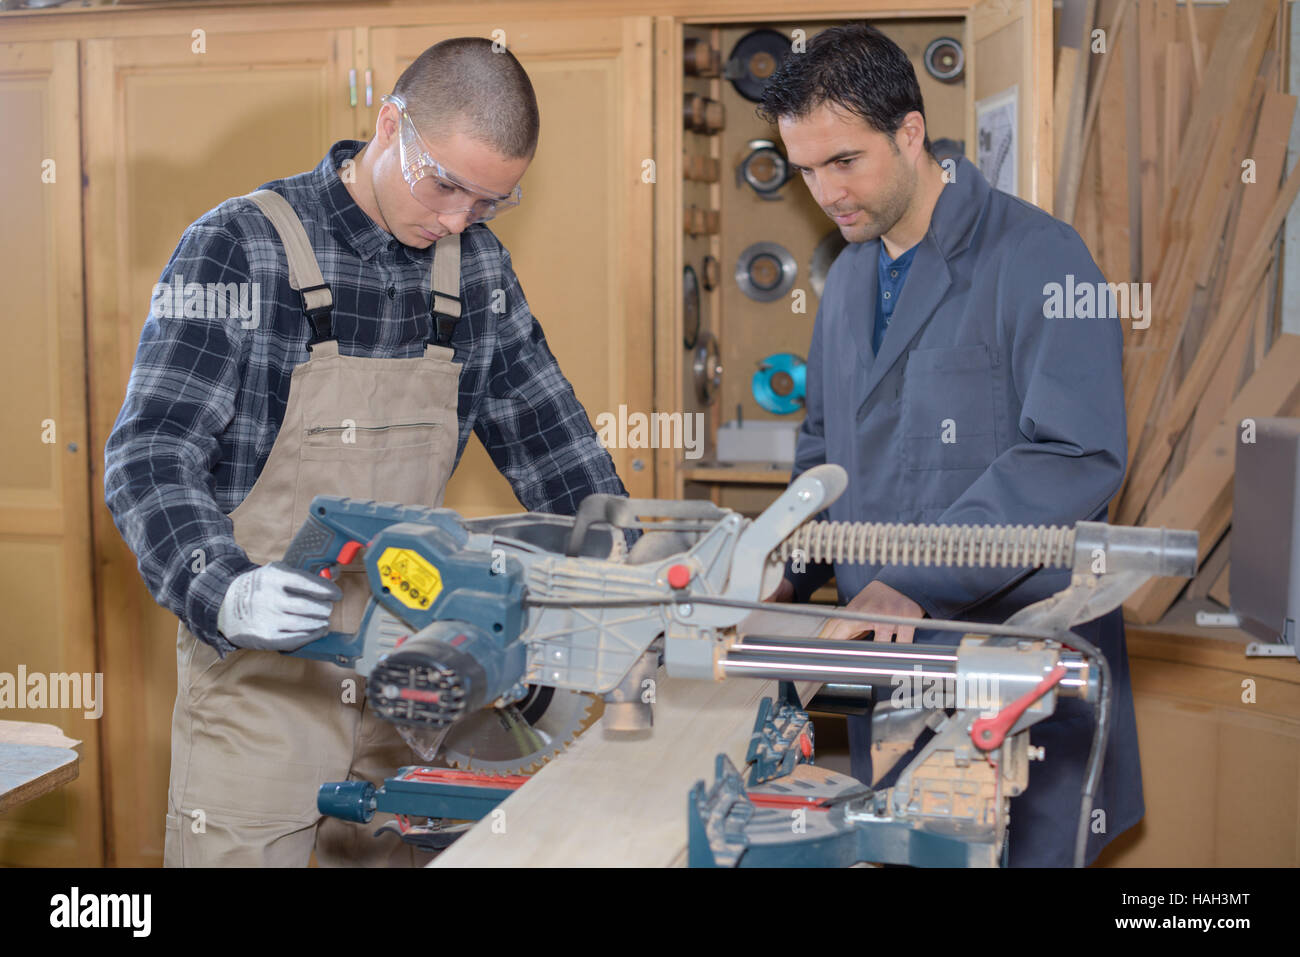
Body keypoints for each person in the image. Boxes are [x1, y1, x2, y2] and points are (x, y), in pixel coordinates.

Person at [104, 38, 627, 866]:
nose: (457, 220)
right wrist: (226, 589)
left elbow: (555, 444)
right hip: (262, 687)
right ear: (390, 125)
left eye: (489, 201)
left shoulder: (478, 267)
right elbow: (150, 456)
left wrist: (627, 576)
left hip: (414, 674)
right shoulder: (241, 247)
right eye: (446, 185)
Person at [760, 22, 1141, 866]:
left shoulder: (1042, 258)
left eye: (845, 161)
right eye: (806, 171)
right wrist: (787, 563)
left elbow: (1074, 456)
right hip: (891, 680)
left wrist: (913, 577)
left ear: (909, 131)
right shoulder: (850, 273)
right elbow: (827, 449)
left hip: (1018, 677)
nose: (826, 193)